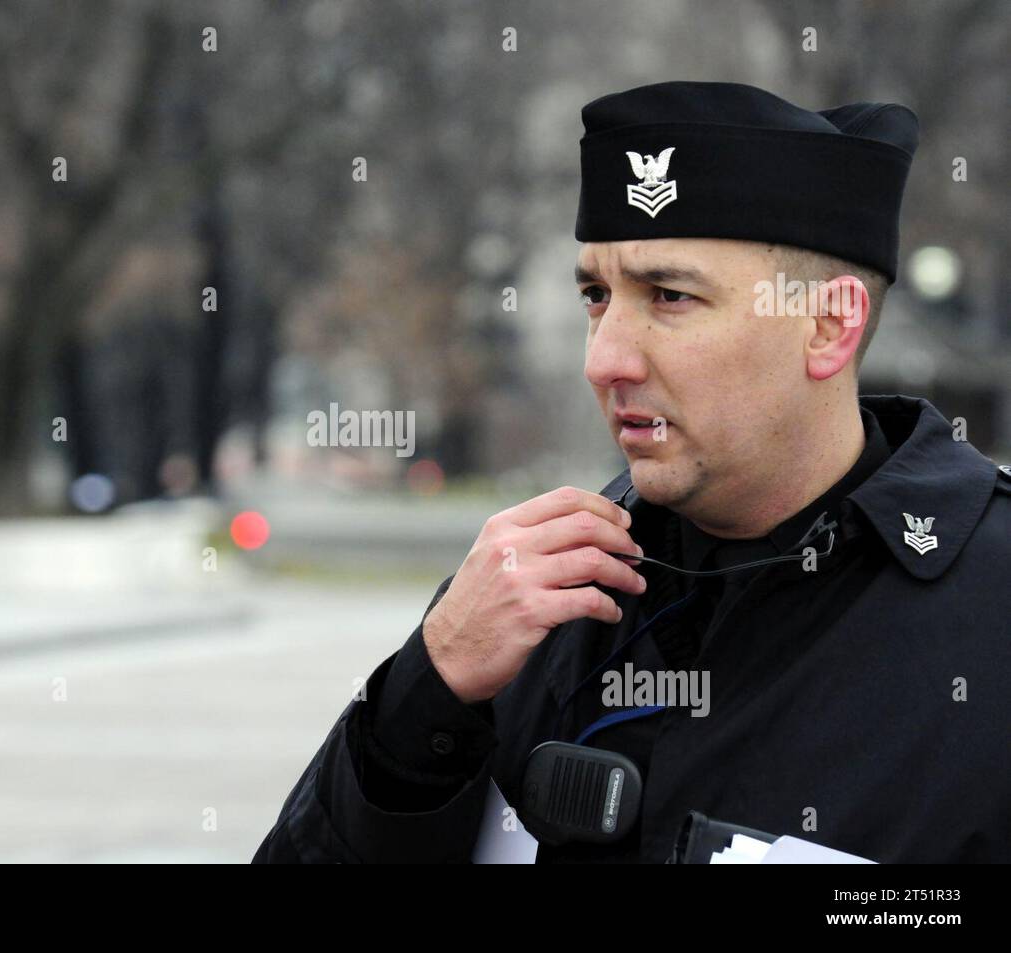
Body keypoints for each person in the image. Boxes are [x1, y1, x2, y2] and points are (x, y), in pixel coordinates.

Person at [253, 81, 1011, 863]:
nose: (604, 359)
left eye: (671, 296)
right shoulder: (538, 597)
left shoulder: (990, 614)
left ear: (827, 325)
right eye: (595, 295)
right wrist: (422, 700)